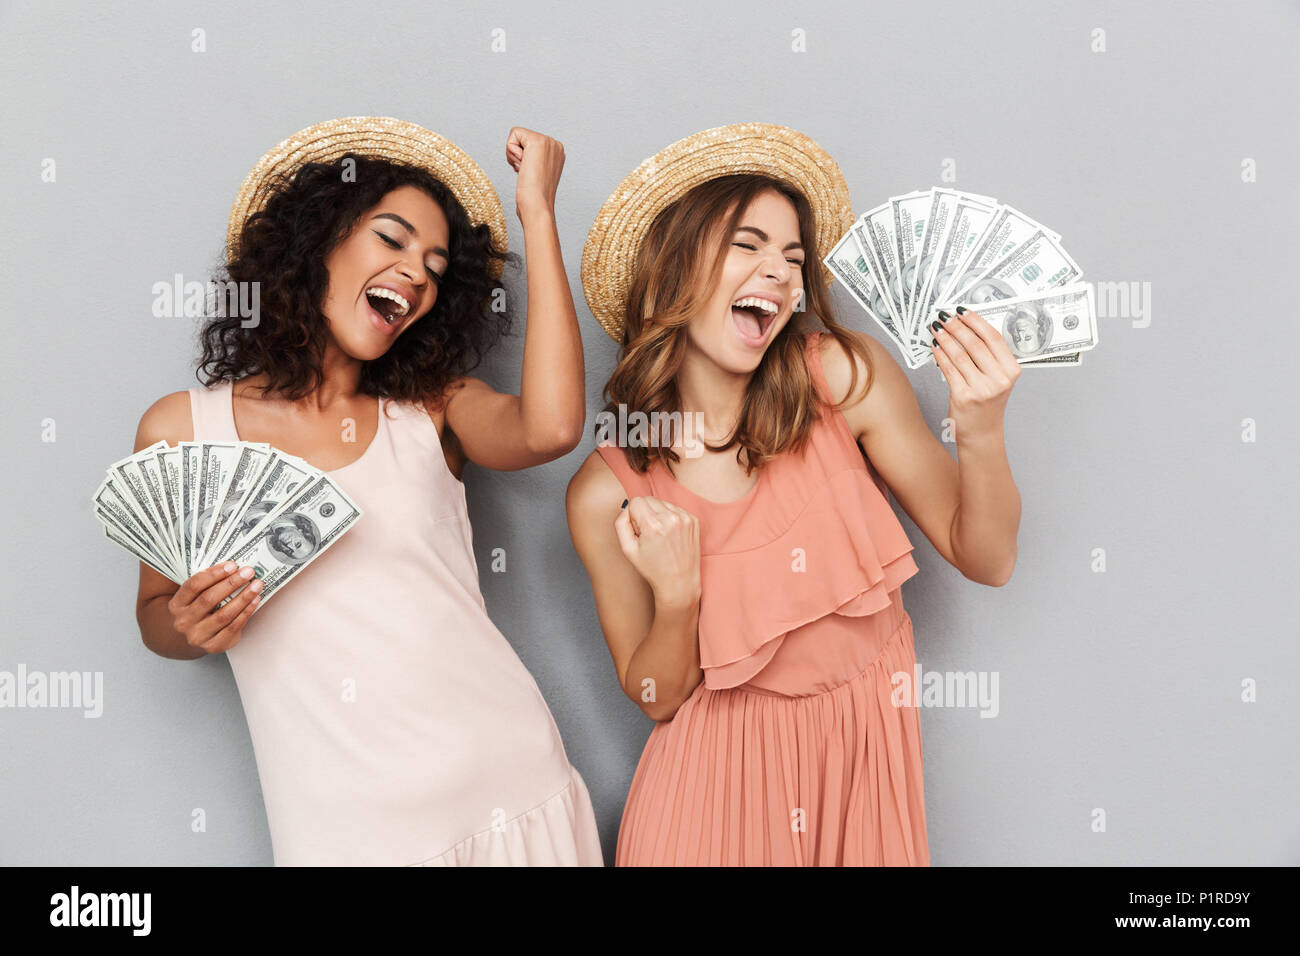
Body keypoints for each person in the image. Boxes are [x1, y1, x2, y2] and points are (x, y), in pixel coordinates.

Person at [133, 116, 602, 866]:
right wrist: (187, 626)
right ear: (317, 243)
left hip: (511, 792)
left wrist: (539, 213)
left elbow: (550, 430)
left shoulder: (431, 410)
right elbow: (156, 620)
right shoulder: (182, 431)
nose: (417, 272)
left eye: (436, 267)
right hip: (345, 832)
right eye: (391, 239)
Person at [566, 122, 1022, 866]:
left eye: (792, 258)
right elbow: (655, 695)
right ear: (672, 269)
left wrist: (980, 427)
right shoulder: (606, 490)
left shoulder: (843, 377)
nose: (778, 274)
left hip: (859, 779)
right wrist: (678, 598)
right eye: (747, 246)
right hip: (705, 805)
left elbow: (989, 556)